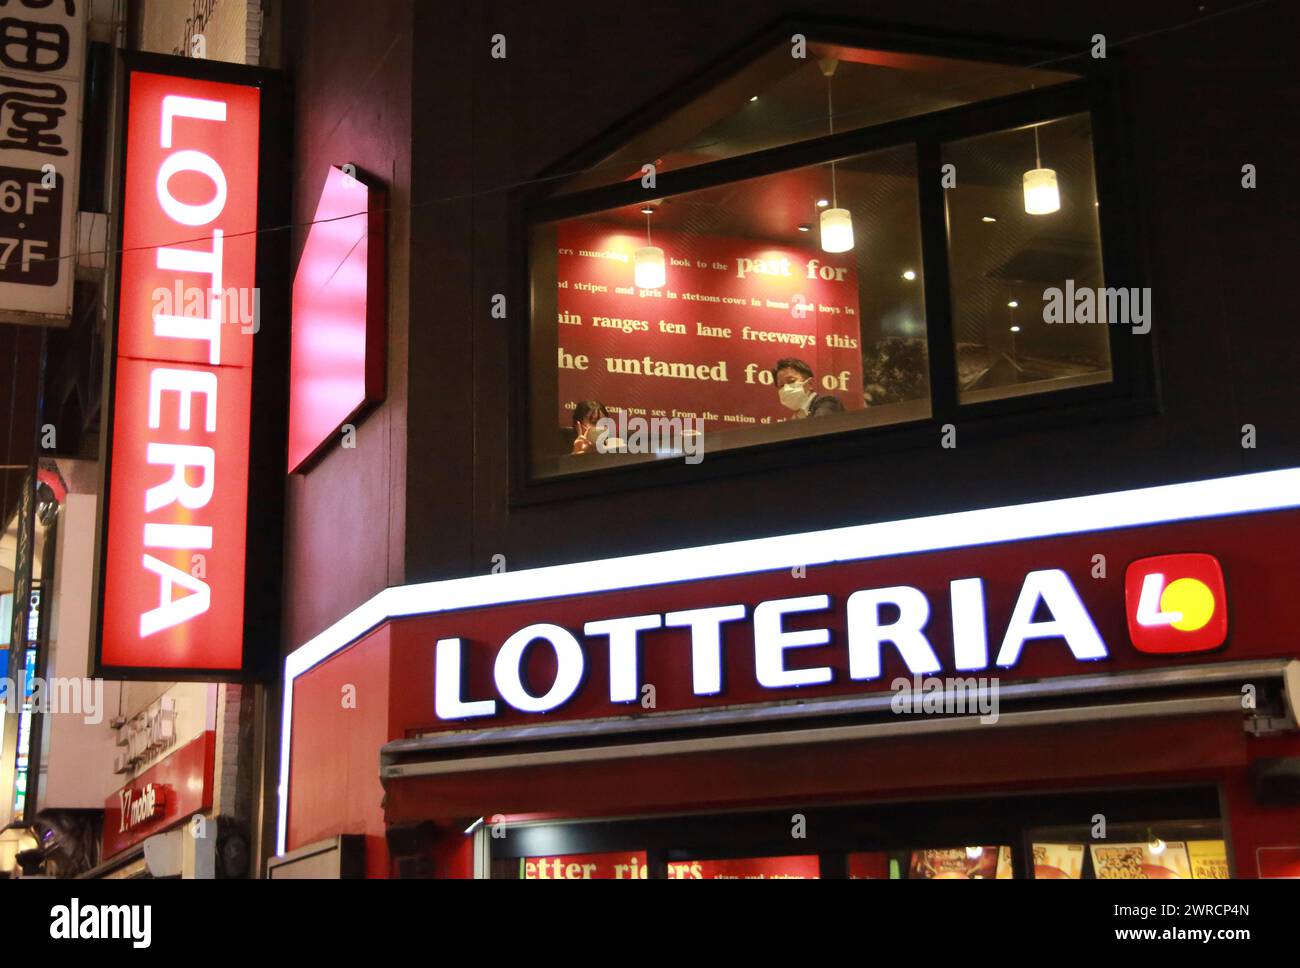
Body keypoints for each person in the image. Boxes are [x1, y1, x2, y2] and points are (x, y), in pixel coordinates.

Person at [773, 358, 844, 419]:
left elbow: (820, 430)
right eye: (781, 385)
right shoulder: (795, 418)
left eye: (791, 381)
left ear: (810, 383)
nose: (786, 388)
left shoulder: (827, 402)